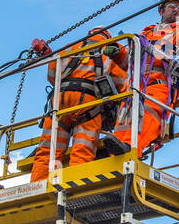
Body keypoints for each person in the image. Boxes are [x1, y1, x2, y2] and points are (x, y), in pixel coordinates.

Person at [112, 0, 179, 157]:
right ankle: (116, 152)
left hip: (161, 84)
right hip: (135, 84)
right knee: (124, 120)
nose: (176, 10)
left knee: (149, 115)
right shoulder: (146, 34)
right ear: (161, 11)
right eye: (172, 6)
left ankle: (131, 149)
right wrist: (116, 54)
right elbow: (128, 61)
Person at [30, 28, 128, 182]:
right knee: (82, 148)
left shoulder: (70, 49)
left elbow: (51, 74)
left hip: (58, 105)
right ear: (107, 39)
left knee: (48, 151)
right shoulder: (104, 54)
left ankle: (36, 187)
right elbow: (123, 84)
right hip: (87, 105)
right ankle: (74, 186)